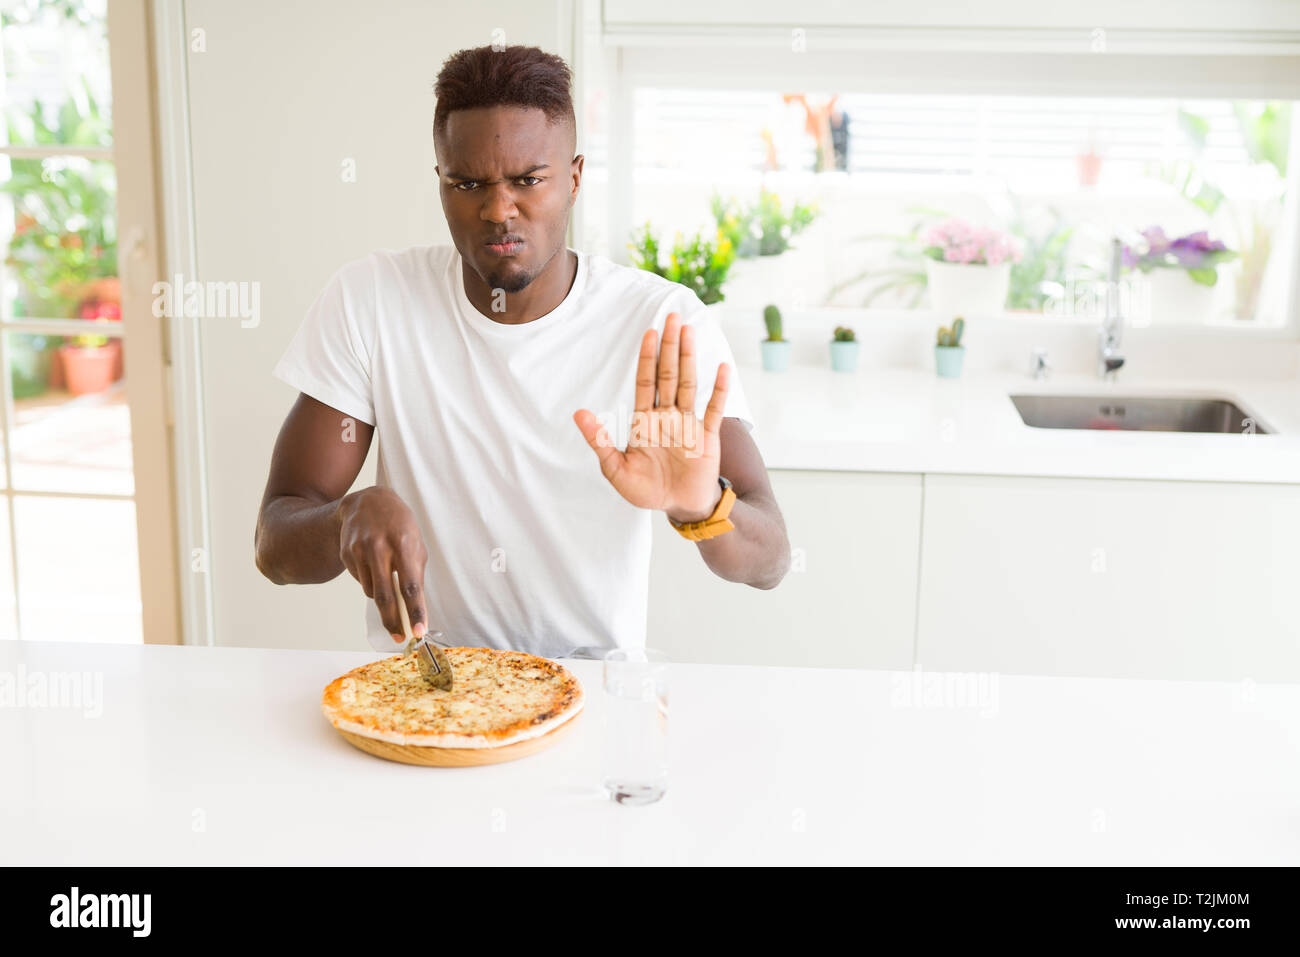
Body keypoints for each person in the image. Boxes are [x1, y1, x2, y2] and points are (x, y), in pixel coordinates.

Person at [254, 44, 790, 658]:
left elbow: (770, 558)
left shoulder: (660, 323)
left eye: (529, 180)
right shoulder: (371, 301)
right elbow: (276, 545)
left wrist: (701, 503)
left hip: (590, 695)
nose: (498, 209)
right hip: (426, 691)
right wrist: (345, 519)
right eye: (468, 183)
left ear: (576, 177)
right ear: (440, 182)